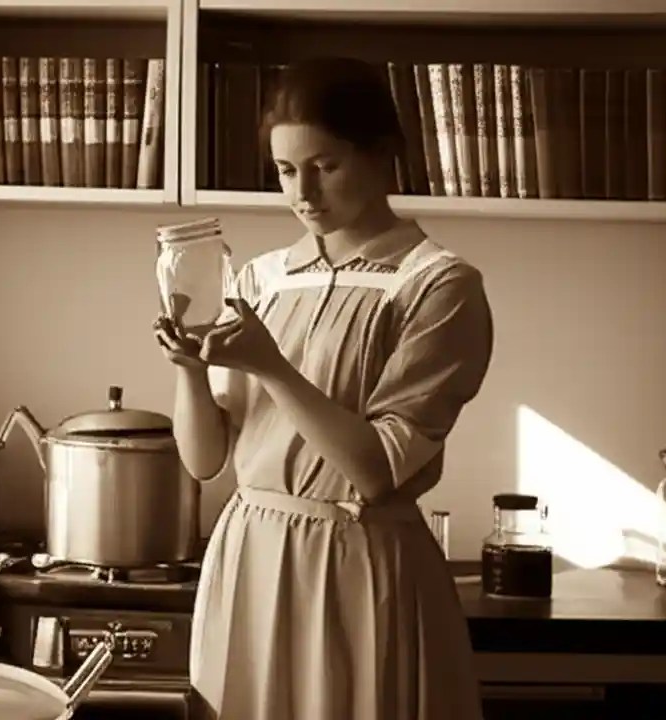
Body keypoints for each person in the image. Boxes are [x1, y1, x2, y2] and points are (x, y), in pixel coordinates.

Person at [153, 56, 494, 720]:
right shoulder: (261, 279)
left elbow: (373, 470)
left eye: (325, 165)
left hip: (359, 565)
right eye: (285, 170)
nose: (303, 192)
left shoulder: (438, 286)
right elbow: (204, 461)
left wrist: (273, 367)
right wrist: (189, 371)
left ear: (385, 153)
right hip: (251, 550)